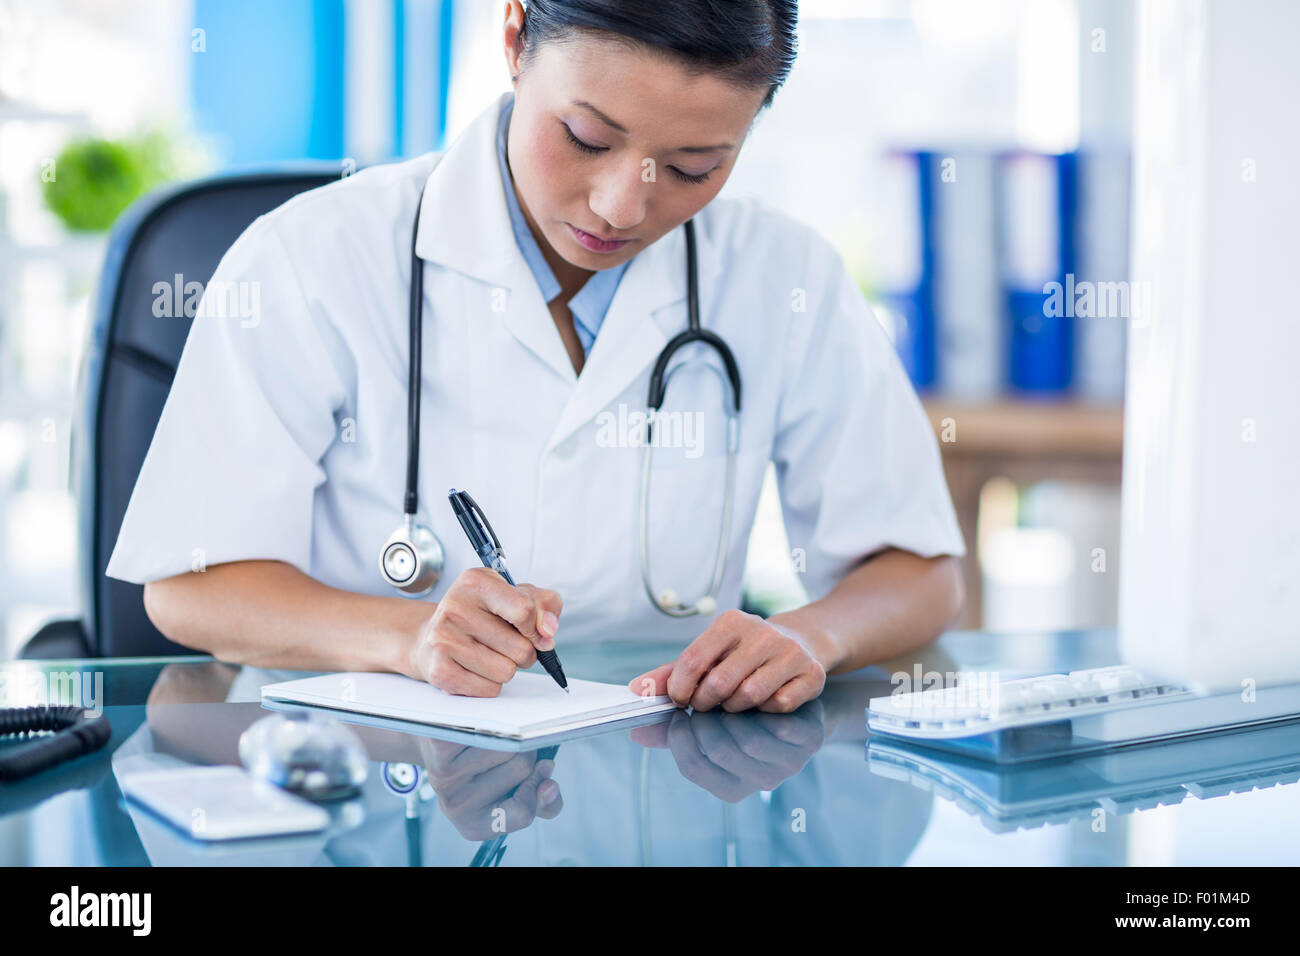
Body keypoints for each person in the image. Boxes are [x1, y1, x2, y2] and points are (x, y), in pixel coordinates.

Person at [108, 0, 965, 714]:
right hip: (359, 793)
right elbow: (188, 584)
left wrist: (809, 637)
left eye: (695, 165)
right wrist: (408, 635)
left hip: (658, 795)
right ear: (515, 37)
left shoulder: (785, 276)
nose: (622, 204)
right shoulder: (310, 256)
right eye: (589, 138)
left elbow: (918, 570)